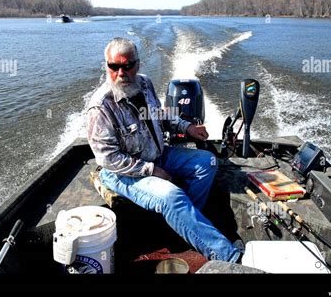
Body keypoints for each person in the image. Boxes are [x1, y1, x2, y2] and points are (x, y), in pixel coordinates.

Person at [87, 37, 242, 263]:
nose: (121, 72)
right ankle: (230, 257)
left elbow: (160, 115)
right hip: (122, 172)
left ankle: (182, 228)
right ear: (107, 66)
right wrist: (151, 170)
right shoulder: (101, 107)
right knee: (172, 196)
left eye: (127, 65)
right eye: (114, 66)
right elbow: (109, 158)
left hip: (158, 154)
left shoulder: (145, 83)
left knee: (207, 162)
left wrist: (187, 127)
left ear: (137, 65)